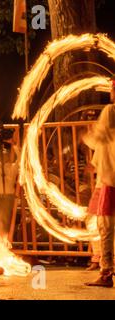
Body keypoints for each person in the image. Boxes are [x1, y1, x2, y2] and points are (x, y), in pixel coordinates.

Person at [84, 76, 115, 287]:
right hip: (106, 176)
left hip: (111, 179)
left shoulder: (111, 111)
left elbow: (98, 137)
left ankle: (106, 273)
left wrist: (85, 136)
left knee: (105, 225)